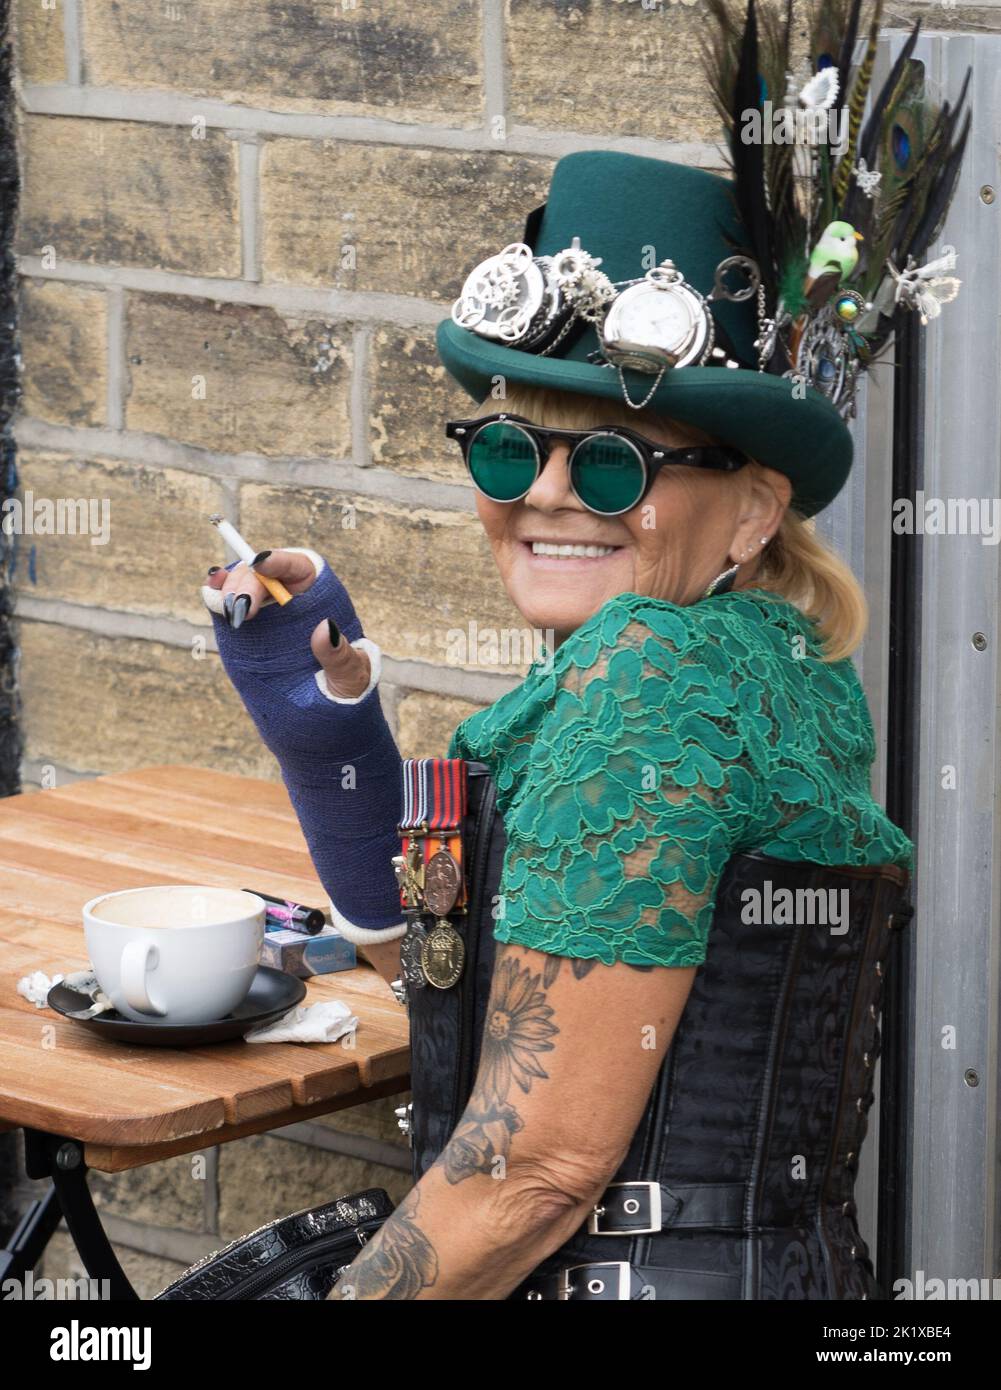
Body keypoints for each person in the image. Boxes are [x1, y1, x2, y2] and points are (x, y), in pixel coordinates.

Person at [198, 2, 968, 1297]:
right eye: (512, 445)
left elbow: (535, 1169)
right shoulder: (771, 665)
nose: (549, 493)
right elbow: (455, 982)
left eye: (615, 458)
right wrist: (325, 720)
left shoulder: (647, 684)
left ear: (753, 507)